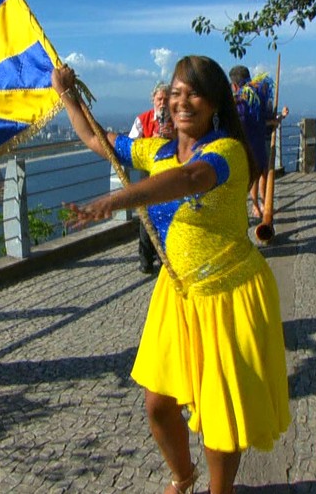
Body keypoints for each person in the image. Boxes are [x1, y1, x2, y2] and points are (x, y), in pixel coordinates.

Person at [53, 56, 290, 494]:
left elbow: (188, 180)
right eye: (177, 92)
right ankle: (183, 477)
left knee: (219, 415)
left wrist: (112, 202)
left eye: (194, 92)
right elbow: (95, 138)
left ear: (215, 102)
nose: (183, 101)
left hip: (227, 292)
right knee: (158, 405)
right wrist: (67, 94)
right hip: (177, 291)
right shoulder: (155, 150)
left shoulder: (227, 152)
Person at [129, 81, 175, 274]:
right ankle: (145, 260)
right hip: (148, 173)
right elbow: (131, 146)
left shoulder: (178, 119)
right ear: (153, 100)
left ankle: (167, 257)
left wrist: (173, 136)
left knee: (168, 214)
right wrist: (150, 142)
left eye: (166, 99)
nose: (162, 103)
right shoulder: (143, 119)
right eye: (159, 99)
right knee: (146, 217)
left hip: (171, 173)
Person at [228, 65, 271, 218]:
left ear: (234, 85)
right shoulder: (261, 94)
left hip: (245, 145)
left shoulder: (237, 100)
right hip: (259, 142)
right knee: (260, 173)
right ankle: (263, 206)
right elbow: (266, 117)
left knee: (248, 178)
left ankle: (253, 209)